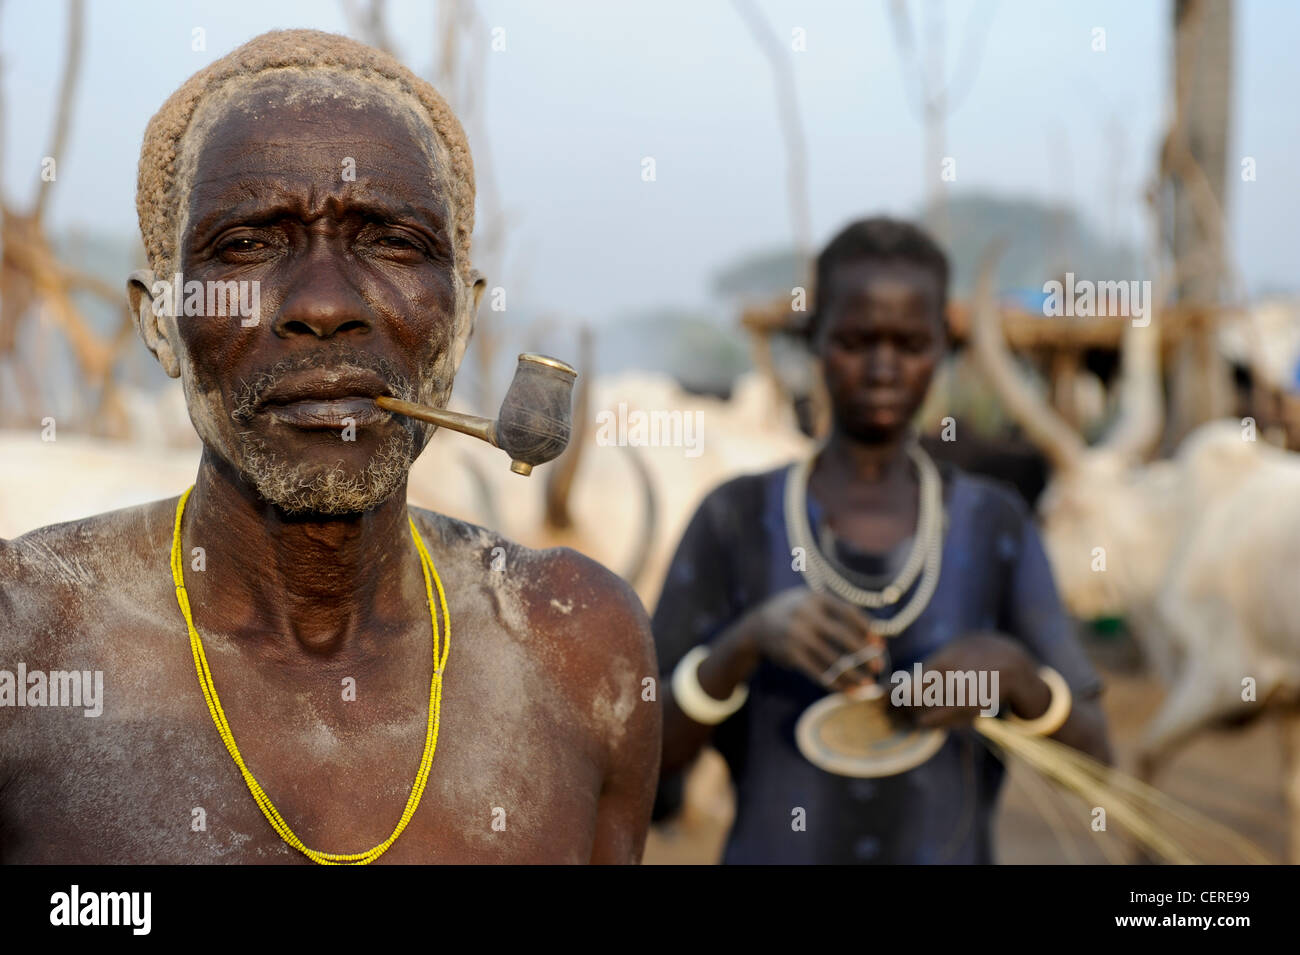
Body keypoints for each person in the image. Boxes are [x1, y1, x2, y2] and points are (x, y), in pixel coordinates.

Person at [0, 30, 659, 864]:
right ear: (159, 323)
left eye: (391, 242)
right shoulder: (24, 643)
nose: (321, 303)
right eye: (246, 243)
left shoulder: (575, 645)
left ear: (459, 325)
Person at [653, 217, 1110, 864]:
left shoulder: (995, 525)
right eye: (855, 339)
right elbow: (644, 768)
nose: (883, 367)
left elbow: (1099, 767)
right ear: (813, 338)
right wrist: (743, 645)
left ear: (944, 348)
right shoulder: (736, 518)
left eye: (910, 342)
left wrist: (1019, 677)